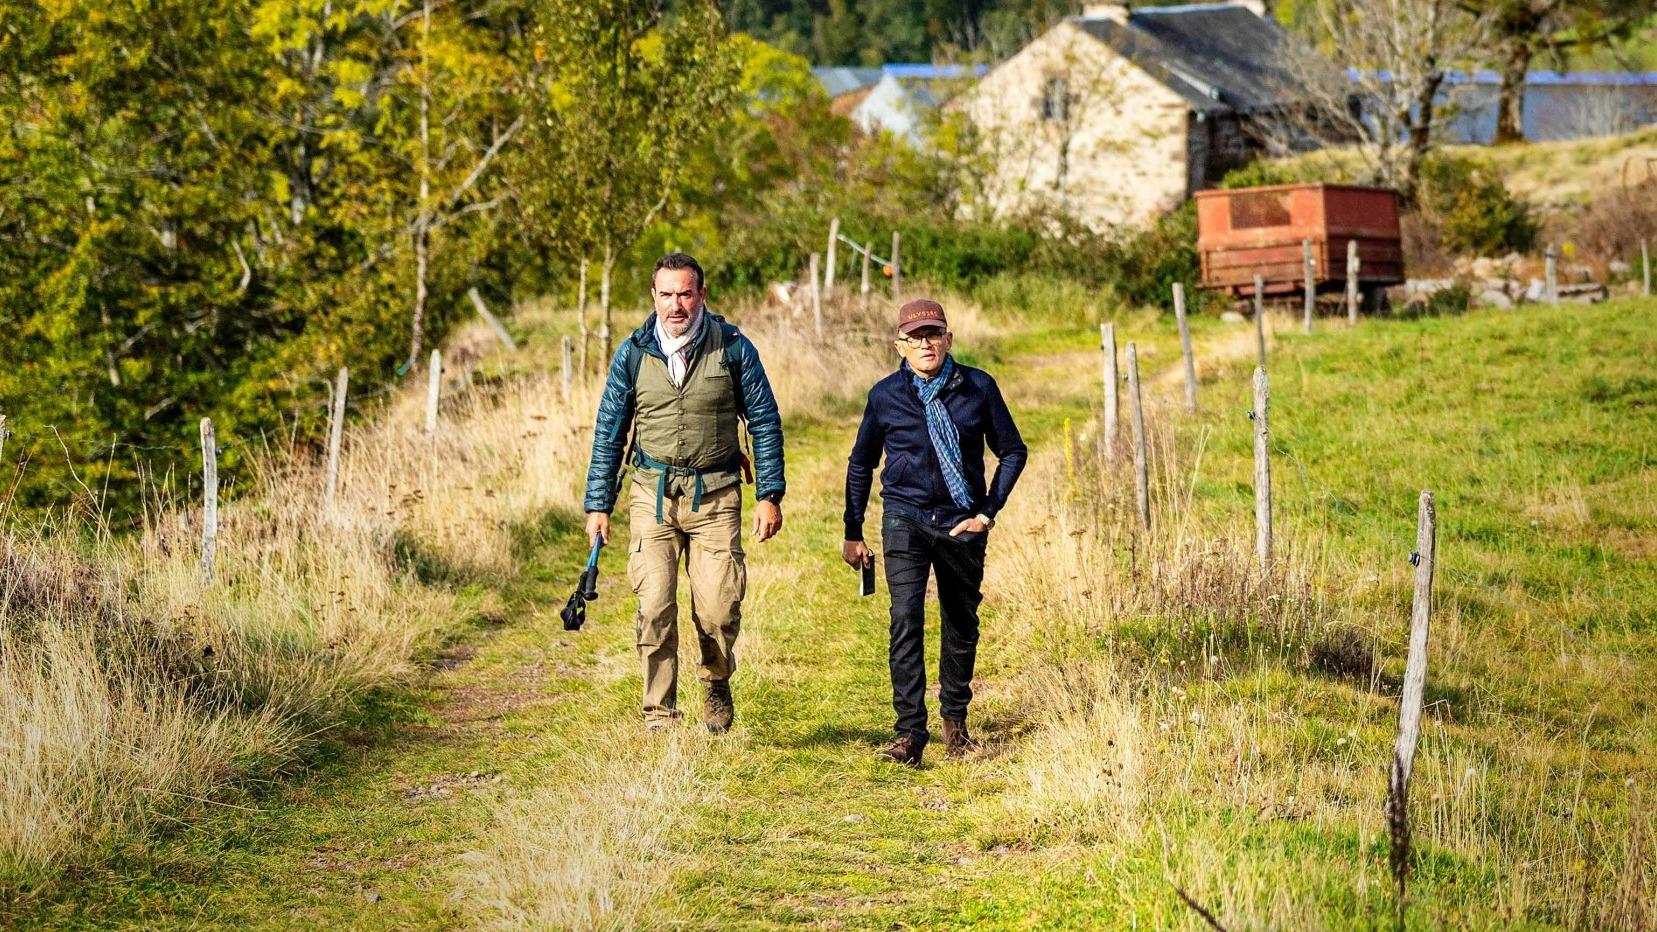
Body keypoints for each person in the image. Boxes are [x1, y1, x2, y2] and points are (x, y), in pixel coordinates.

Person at [583, 253, 785, 733]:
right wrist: (598, 505)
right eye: (667, 294)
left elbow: (764, 420)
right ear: (654, 296)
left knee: (717, 609)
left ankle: (716, 679)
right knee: (654, 605)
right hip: (651, 494)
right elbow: (610, 431)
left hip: (716, 495)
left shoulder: (733, 348)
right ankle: (660, 714)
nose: (676, 305)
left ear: (702, 296)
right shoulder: (633, 352)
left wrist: (769, 494)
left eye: (686, 294)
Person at [842, 298, 1026, 767]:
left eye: (934, 334)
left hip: (962, 521)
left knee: (960, 620)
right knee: (905, 617)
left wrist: (986, 512)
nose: (926, 343)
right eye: (915, 337)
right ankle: (909, 734)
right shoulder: (884, 396)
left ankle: (955, 723)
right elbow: (861, 463)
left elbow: (1012, 451)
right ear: (899, 345)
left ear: (949, 339)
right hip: (905, 517)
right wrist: (852, 529)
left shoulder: (978, 387)